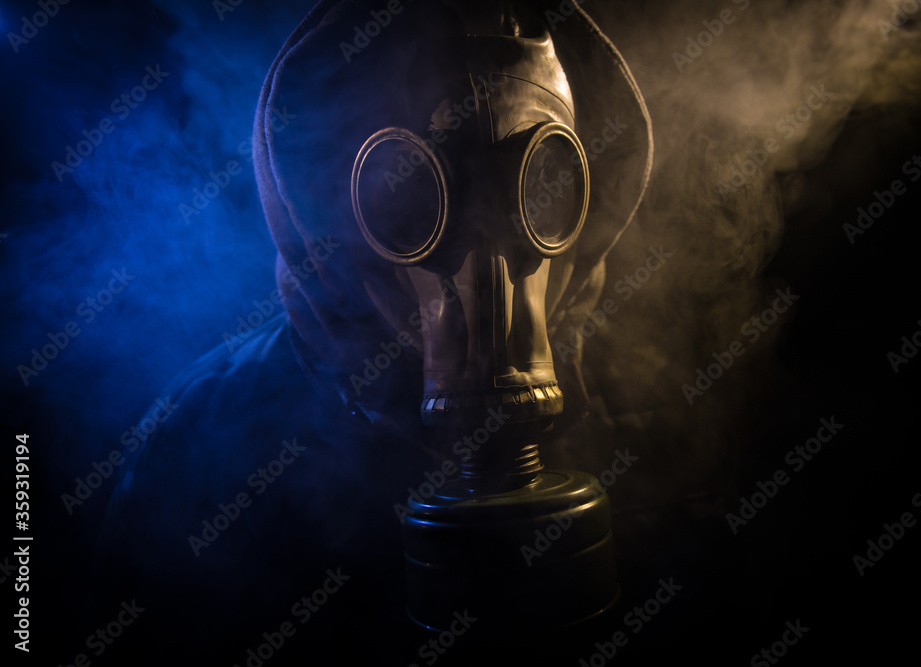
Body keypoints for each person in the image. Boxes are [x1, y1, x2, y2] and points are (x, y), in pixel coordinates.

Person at [94, 1, 651, 663]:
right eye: (411, 194)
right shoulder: (195, 451)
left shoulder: (661, 408)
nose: (487, 268)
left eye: (539, 184)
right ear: (324, 210)